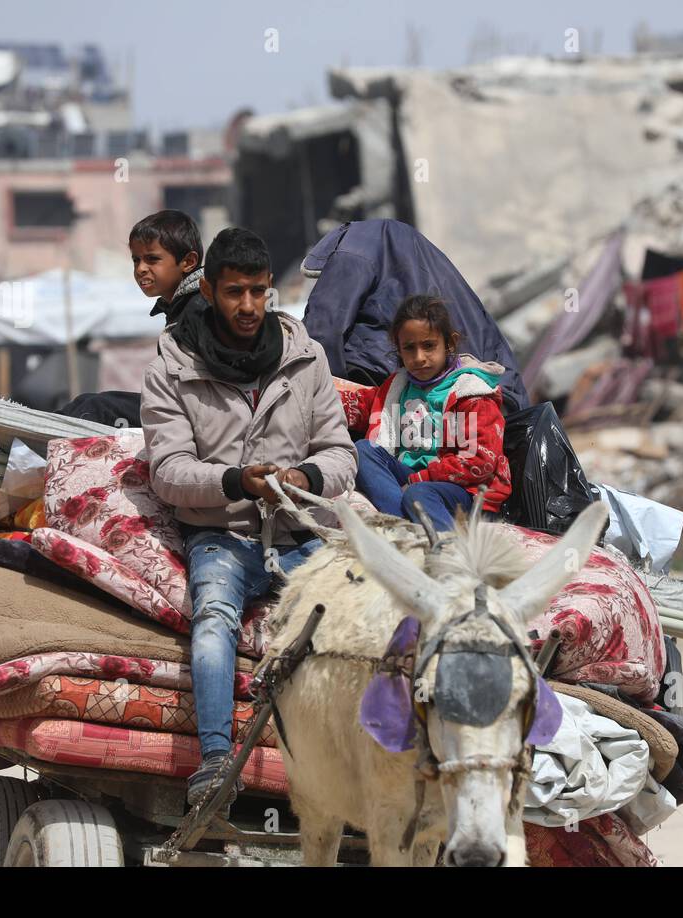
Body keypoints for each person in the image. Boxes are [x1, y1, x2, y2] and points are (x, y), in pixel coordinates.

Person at [141, 227, 356, 811]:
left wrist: (304, 479)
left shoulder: (305, 358)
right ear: (208, 290)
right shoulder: (172, 366)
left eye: (260, 292)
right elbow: (167, 471)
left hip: (299, 531)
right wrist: (235, 481)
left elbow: (341, 454)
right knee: (212, 620)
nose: (248, 307)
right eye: (235, 292)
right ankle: (216, 761)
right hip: (220, 534)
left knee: (359, 624)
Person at [301, 219, 529, 414]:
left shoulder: (352, 252)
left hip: (450, 416)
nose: (419, 357)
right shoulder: (427, 263)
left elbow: (321, 332)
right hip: (502, 403)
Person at [344, 295, 512, 531]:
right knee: (363, 450)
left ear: (449, 344)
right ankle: (404, 526)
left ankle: (446, 548)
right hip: (412, 480)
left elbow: (479, 462)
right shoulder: (398, 387)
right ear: (399, 350)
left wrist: (418, 480)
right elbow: (363, 404)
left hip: (464, 491)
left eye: (429, 346)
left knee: (419, 494)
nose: (419, 358)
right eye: (409, 348)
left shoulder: (471, 393)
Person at [60, 209, 208, 426]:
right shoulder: (180, 308)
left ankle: (31, 451)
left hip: (192, 416)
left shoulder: (201, 308)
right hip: (177, 407)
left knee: (96, 409)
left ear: (188, 262)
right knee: (86, 402)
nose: (141, 269)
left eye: (152, 259)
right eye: (136, 260)